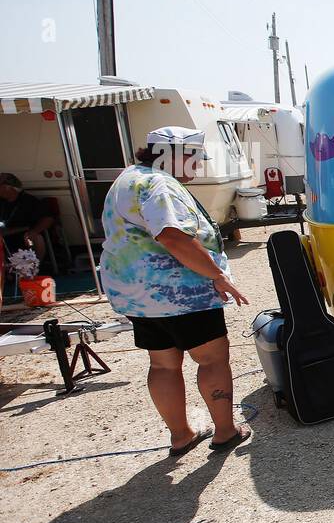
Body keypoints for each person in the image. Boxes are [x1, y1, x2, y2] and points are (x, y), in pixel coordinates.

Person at [100, 127, 251, 456]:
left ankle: (180, 435)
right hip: (181, 295)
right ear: (177, 154)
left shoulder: (129, 177)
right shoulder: (160, 184)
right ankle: (225, 431)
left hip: (140, 298)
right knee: (212, 359)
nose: (197, 167)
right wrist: (217, 276)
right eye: (194, 159)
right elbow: (173, 236)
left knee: (163, 364)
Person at [0, 173, 56, 265]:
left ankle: (32, 268)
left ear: (8, 187)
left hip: (23, 236)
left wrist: (34, 231)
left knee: (37, 238)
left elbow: (48, 218)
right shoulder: (1, 202)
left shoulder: (29, 201)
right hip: (3, 236)